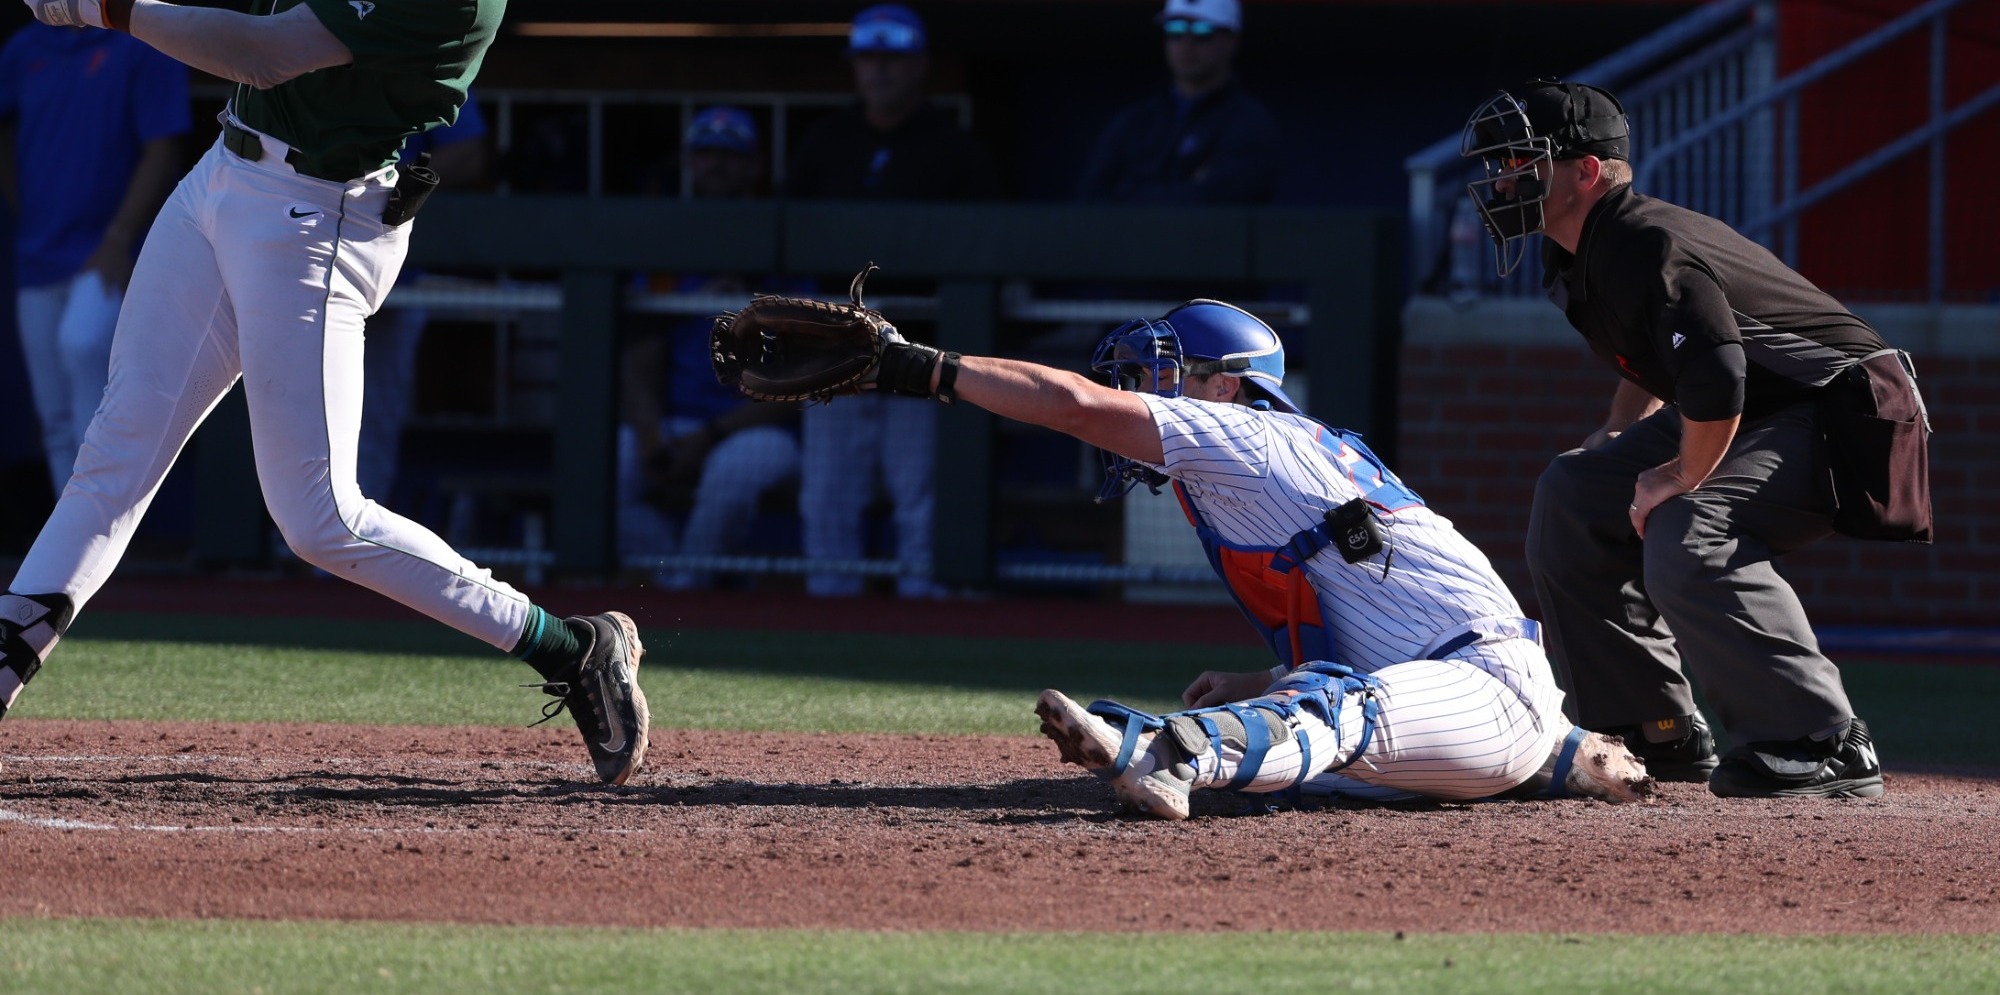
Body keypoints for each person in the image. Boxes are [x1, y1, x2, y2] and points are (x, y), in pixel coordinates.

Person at [2, 0, 650, 787]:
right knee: (115, 449)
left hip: (315, 218)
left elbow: (265, 52)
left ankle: (571, 648)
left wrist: (102, 7)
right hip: (222, 175)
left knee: (320, 517)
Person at [744, 296, 1654, 818]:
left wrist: (920, 368)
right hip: (1466, 690)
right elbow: (1389, 615)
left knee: (1336, 711)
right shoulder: (1242, 467)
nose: (1146, 390)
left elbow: (1072, 404)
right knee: (1311, 727)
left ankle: (1168, 751)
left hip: (1486, 683)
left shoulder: (1249, 435)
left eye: (1165, 375)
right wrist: (1262, 678)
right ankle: (1573, 756)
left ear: (1227, 386)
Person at [1458, 79, 1897, 799]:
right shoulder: (1579, 248)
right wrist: (1620, 428)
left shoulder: (1641, 242)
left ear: (1585, 172)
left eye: (1520, 162)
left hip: (1845, 404)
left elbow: (1719, 372)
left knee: (1689, 524)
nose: (1502, 180)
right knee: (1575, 493)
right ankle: (1651, 728)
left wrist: (1680, 474)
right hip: (1763, 405)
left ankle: (1822, 739)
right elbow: (1663, 355)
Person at [785, 3, 1001, 597]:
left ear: (919, 64)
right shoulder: (826, 141)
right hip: (836, 353)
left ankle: (923, 611)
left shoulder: (954, 147)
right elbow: (788, 233)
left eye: (893, 59)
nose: (880, 70)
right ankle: (829, 612)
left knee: (920, 496)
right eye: (869, 58)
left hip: (922, 351)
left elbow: (987, 245)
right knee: (827, 495)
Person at [0, 19, 187, 497]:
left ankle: (102, 525)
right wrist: (29, 213)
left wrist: (118, 239)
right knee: (54, 413)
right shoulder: (24, 48)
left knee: (84, 360)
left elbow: (163, 148)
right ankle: (73, 534)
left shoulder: (144, 41)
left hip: (109, 254)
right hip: (38, 255)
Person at [619, 107, 801, 590]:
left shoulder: (784, 239)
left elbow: (798, 384)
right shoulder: (667, 242)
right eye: (706, 154)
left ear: (754, 165)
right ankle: (677, 574)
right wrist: (651, 439)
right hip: (677, 423)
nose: (717, 165)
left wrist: (711, 436)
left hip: (761, 431)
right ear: (689, 162)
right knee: (606, 468)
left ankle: (688, 589)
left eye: (730, 155)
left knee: (733, 472)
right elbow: (641, 365)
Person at [356, 93, 489, 504]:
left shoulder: (421, 61)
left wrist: (383, 184)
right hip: (298, 258)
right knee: (288, 404)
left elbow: (468, 154)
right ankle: (284, 532)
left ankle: (353, 531)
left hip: (388, 275)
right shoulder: (303, 60)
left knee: (368, 419)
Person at [1075, 0, 1279, 205]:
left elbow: (1219, 200)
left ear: (1232, 40)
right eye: (1176, 29)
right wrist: (1188, 187)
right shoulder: (1134, 122)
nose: (1186, 43)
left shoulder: (1250, 124)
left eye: (1203, 31)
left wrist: (1128, 193)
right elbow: (1090, 199)